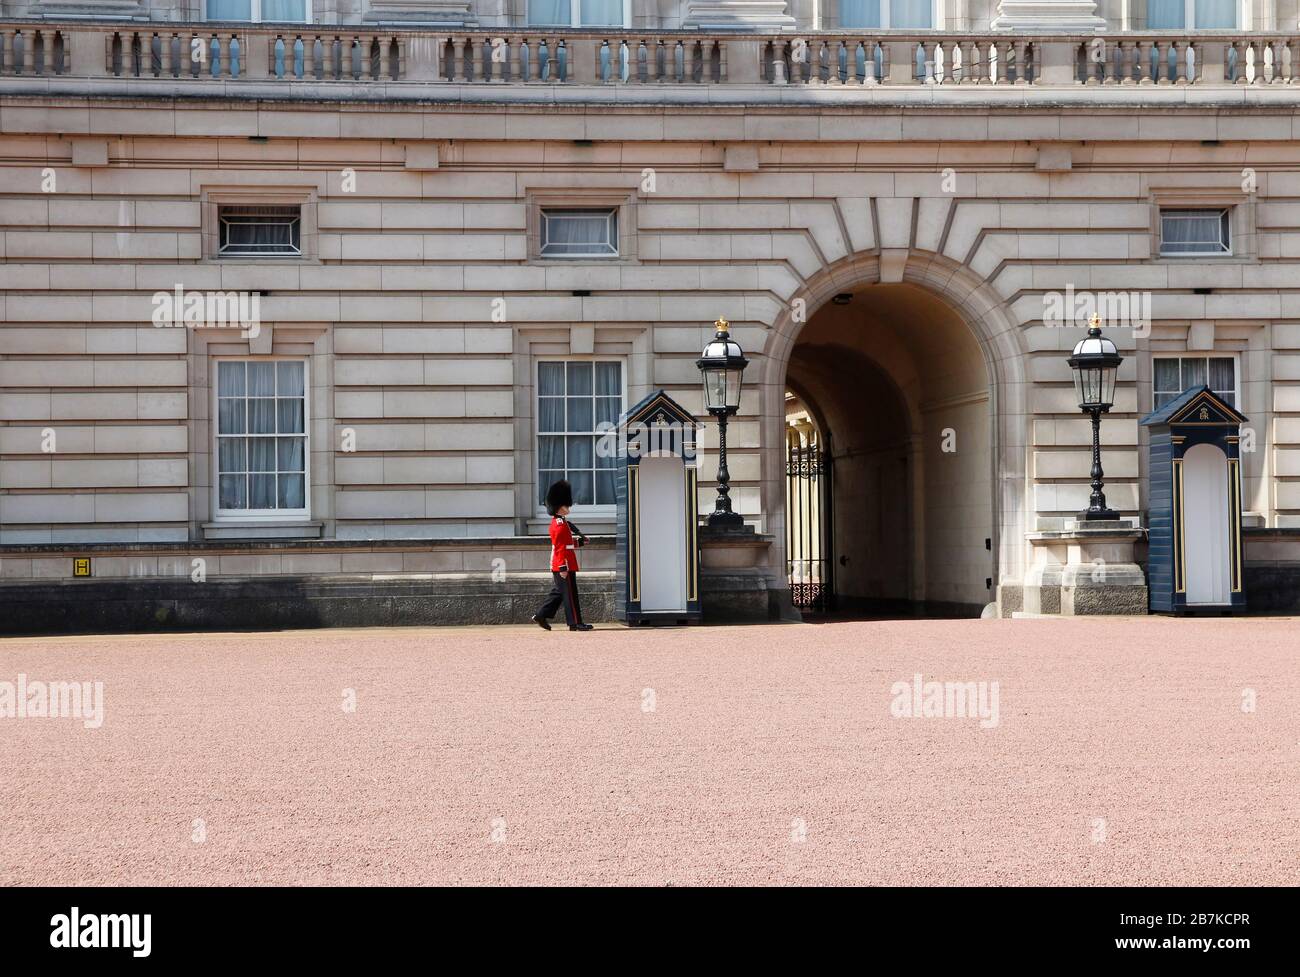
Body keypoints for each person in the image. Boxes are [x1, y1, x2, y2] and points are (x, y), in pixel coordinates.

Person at [532, 480, 593, 632]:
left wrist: (581, 542)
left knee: (560, 592)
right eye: (566, 505)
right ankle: (575, 623)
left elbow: (567, 543)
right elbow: (560, 548)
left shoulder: (562, 523)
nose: (568, 507)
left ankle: (541, 615)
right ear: (559, 507)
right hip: (563, 562)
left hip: (565, 561)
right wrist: (563, 567)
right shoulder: (559, 525)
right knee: (570, 594)